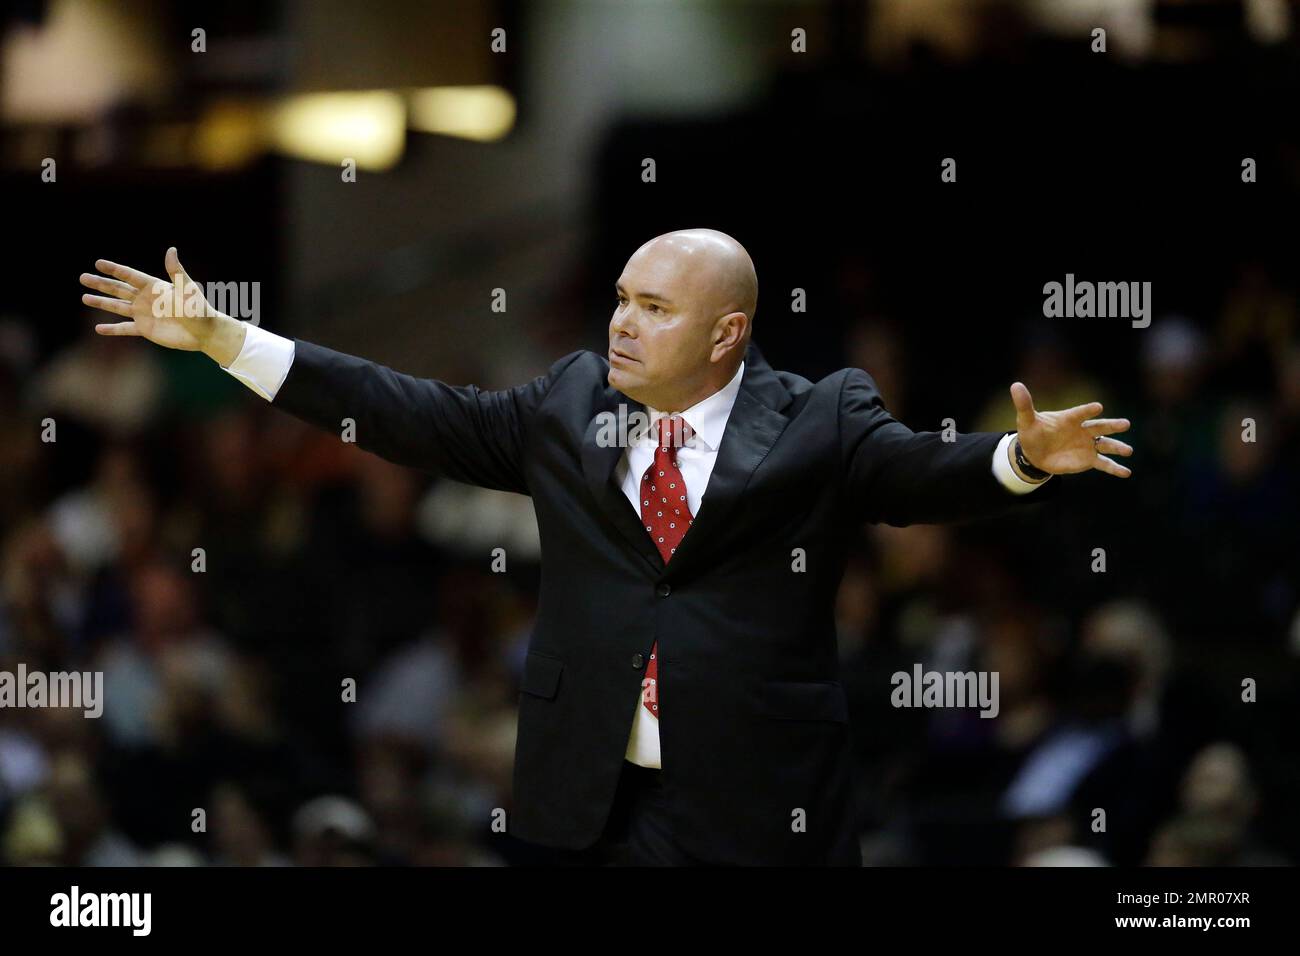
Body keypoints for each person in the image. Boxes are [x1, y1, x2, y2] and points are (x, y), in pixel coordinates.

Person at [79, 228, 1133, 865]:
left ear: (725, 334)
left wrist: (1018, 457)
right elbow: (407, 411)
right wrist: (225, 337)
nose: (621, 324)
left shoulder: (819, 416)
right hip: (590, 800)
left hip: (762, 807)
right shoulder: (569, 398)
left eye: (654, 308)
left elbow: (913, 476)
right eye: (622, 299)